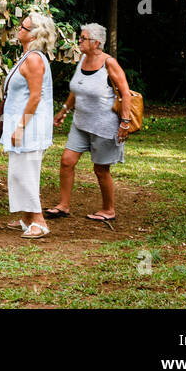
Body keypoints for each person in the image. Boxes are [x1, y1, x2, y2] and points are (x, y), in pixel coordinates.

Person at [45, 23, 133, 224]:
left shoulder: (109, 63)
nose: (79, 41)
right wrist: (64, 111)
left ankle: (108, 209)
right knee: (67, 161)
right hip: (80, 123)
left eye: (83, 38)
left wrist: (125, 123)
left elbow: (125, 92)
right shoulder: (82, 60)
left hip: (104, 125)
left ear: (96, 43)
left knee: (101, 170)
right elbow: (76, 89)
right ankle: (63, 205)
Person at [0, 10, 56, 238]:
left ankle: (39, 221)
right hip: (21, 122)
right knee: (18, 172)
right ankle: (26, 216)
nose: (19, 29)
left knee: (26, 174)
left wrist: (21, 127)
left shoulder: (33, 59)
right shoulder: (27, 56)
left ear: (34, 35)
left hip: (29, 127)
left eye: (24, 27)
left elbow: (35, 97)